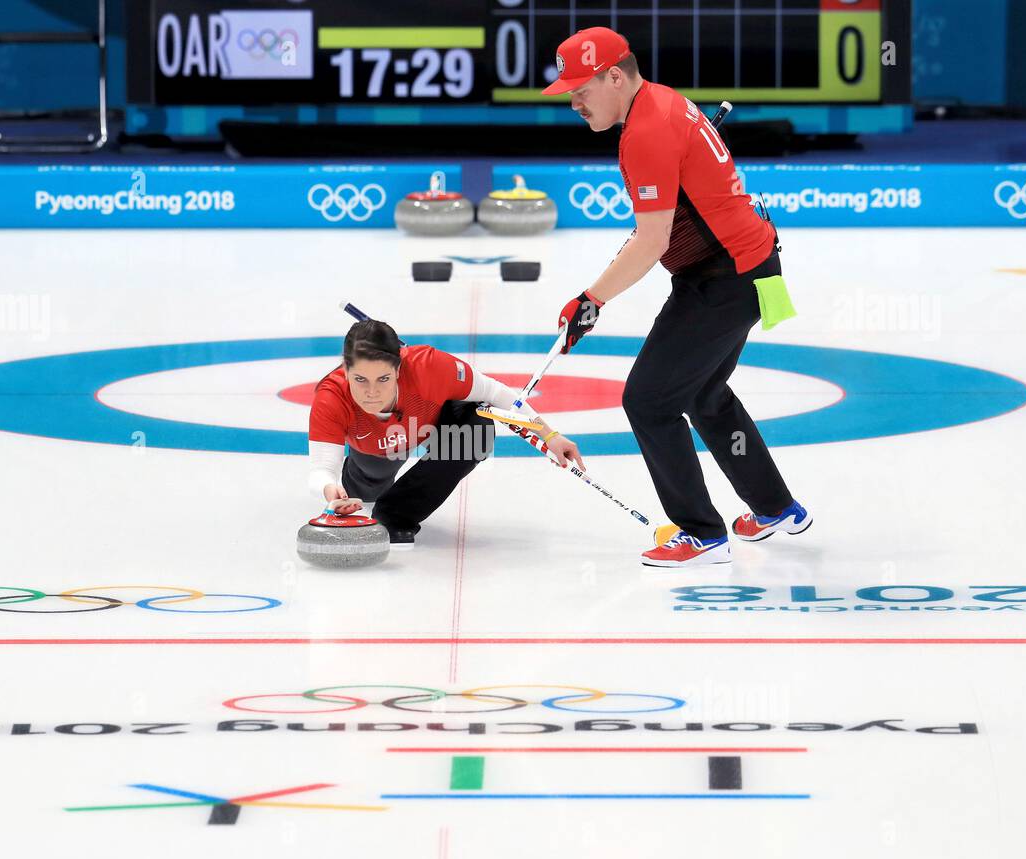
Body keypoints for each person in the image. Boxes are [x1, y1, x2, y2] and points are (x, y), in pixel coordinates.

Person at [542, 26, 812, 568]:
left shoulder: (647, 129)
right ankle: (774, 506)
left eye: (581, 90)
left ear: (614, 76)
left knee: (647, 400)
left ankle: (699, 532)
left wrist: (589, 300)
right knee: (704, 393)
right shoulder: (663, 105)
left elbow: (650, 242)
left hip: (724, 278)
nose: (573, 102)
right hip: (752, 266)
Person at [307, 319, 583, 548]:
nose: (371, 393)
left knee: (478, 428)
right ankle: (358, 476)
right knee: (365, 490)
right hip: (373, 450)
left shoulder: (430, 366)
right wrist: (331, 491)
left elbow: (495, 393)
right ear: (345, 369)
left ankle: (396, 515)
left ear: (399, 369)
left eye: (383, 379)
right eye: (359, 380)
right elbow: (321, 469)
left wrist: (549, 435)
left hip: (430, 426)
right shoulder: (331, 396)